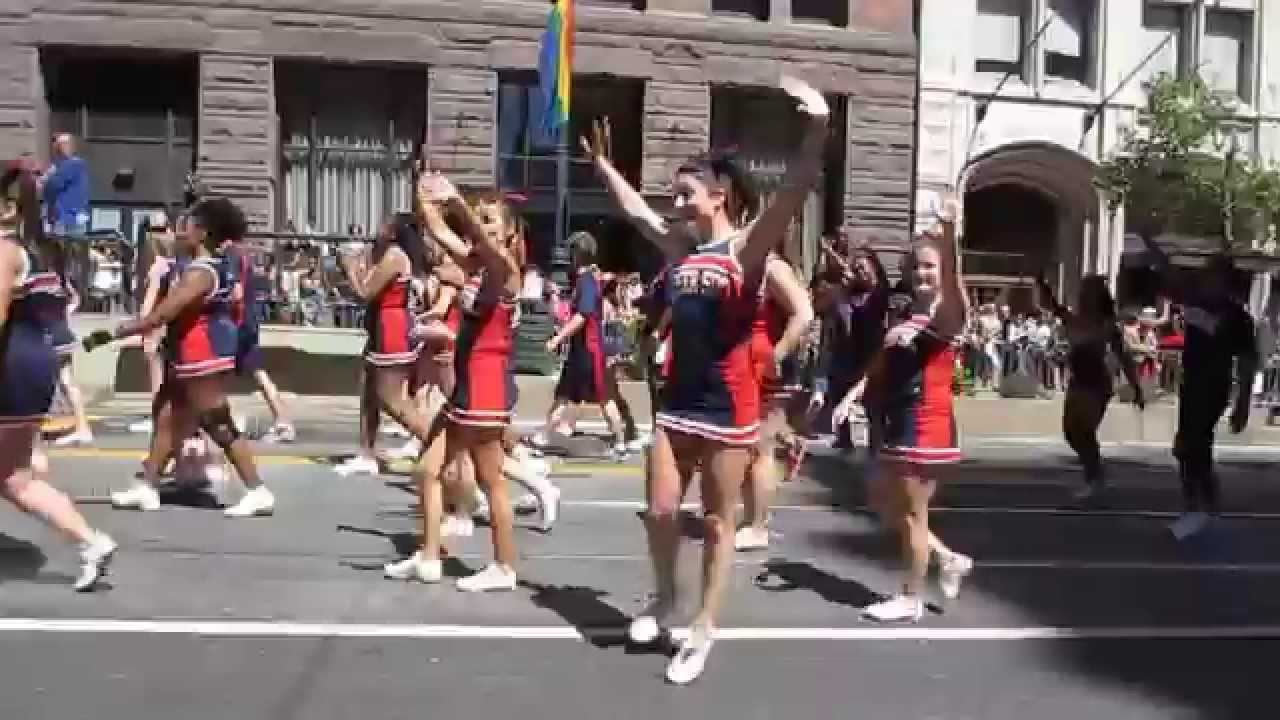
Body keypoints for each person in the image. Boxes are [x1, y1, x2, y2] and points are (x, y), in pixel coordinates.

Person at [582, 75, 829, 683]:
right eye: (674, 194)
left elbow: (793, 192)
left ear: (718, 196)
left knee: (719, 523)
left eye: (686, 193)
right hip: (680, 402)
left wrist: (819, 125)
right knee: (661, 511)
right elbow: (634, 210)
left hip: (730, 411)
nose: (675, 203)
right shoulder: (680, 250)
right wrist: (603, 165)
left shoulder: (746, 252)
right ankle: (667, 598)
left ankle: (703, 628)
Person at [84, 197, 276, 518]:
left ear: (203, 233)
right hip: (185, 353)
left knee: (218, 423)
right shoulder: (203, 266)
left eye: (188, 224)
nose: (180, 229)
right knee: (165, 416)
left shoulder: (200, 273)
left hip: (202, 355)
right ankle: (148, 484)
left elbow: (162, 315)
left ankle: (257, 490)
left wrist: (112, 334)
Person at [389, 176, 530, 592]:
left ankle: (504, 566)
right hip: (467, 387)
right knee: (428, 470)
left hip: (485, 389)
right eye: (480, 219)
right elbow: (438, 231)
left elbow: (477, 242)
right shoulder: (477, 263)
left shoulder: (505, 270)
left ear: (508, 232)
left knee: (491, 480)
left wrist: (457, 202)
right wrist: (425, 198)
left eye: (490, 221)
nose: (482, 226)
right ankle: (430, 556)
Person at [833, 199, 971, 623]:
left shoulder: (947, 315)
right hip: (897, 419)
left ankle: (910, 597)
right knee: (878, 497)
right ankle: (948, 558)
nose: (923, 274)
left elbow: (954, 281)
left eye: (930, 267)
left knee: (912, 515)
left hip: (926, 423)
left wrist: (947, 234)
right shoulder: (907, 314)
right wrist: (850, 395)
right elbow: (881, 360)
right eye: (917, 268)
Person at [0, 163, 115, 591]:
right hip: (35, 368)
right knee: (14, 479)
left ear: (9, 209)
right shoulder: (41, 251)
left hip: (10, 367)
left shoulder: (5, 250)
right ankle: (92, 541)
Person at [1139, 238, 1257, 540]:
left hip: (1214, 386)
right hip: (1190, 384)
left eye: (1211, 273)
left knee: (1193, 444)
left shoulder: (1238, 318)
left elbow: (1246, 361)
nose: (1205, 278)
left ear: (1224, 279)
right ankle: (1207, 502)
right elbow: (1168, 273)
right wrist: (1149, 242)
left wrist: (1243, 403)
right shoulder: (1194, 301)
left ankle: (1197, 509)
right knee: (1185, 447)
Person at [1035, 274, 1143, 502]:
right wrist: (1042, 283)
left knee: (1083, 430)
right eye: (1082, 291)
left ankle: (1094, 480)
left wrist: (1137, 387)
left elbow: (1124, 356)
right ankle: (1095, 472)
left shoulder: (1107, 326)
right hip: (1077, 381)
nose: (1082, 295)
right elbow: (1052, 306)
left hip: (1096, 383)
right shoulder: (1073, 319)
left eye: (1087, 292)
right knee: (1071, 432)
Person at [738, 245, 813, 551]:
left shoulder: (772, 266)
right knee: (746, 445)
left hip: (759, 360)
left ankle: (758, 526)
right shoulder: (747, 261)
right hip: (741, 359)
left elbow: (804, 312)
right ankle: (751, 518)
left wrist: (776, 354)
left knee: (759, 448)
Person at [536, 231, 631, 459]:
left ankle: (620, 441)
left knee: (603, 398)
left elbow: (582, 317)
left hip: (589, 351)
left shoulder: (587, 281)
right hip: (581, 350)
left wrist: (557, 339)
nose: (568, 257)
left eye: (571, 252)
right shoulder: (583, 280)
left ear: (579, 254)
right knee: (564, 394)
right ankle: (543, 436)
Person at [227, 237, 296, 443]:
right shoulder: (243, 253)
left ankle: (216, 423)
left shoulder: (230, 255)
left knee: (212, 372)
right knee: (257, 371)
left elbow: (235, 292)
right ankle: (283, 421)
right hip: (248, 319)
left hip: (236, 322)